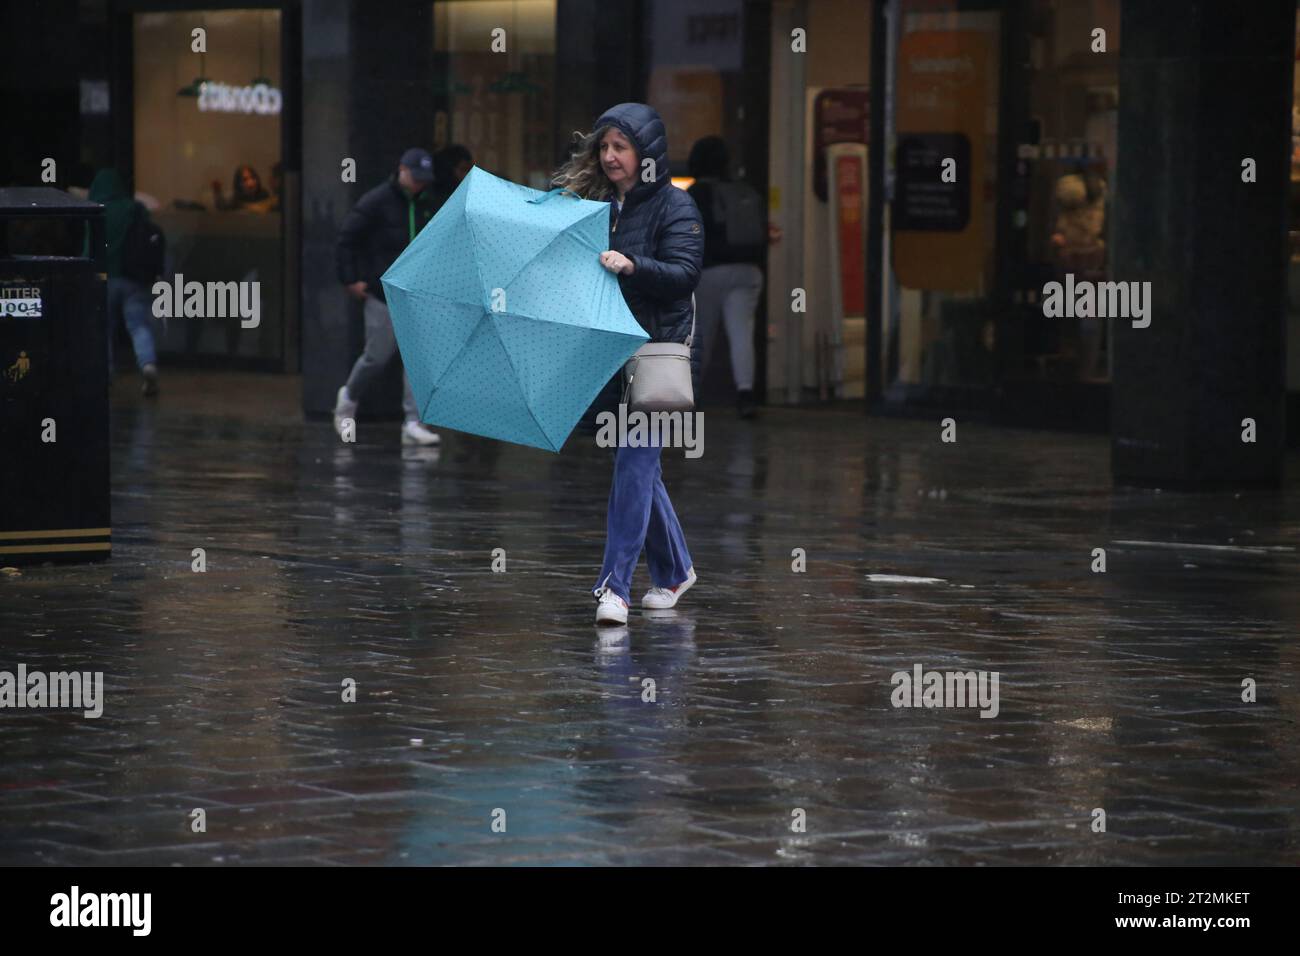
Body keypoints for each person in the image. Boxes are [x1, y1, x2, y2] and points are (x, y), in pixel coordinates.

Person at [551, 103, 703, 627]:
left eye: (621, 147)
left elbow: (685, 274)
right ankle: (675, 569)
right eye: (604, 147)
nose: (610, 156)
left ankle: (614, 588)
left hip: (656, 352)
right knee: (639, 468)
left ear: (647, 152)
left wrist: (633, 265)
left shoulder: (675, 206)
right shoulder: (592, 206)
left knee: (633, 465)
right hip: (607, 352)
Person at [333, 147, 471, 445]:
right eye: (415, 177)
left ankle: (414, 421)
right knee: (376, 357)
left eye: (424, 179)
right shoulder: (376, 201)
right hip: (383, 292)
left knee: (417, 360)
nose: (420, 184)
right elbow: (347, 238)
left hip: (420, 293)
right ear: (402, 170)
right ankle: (349, 397)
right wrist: (351, 279)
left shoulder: (430, 202)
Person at [686, 136, 767, 418]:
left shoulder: (696, 193)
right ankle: (745, 394)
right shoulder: (744, 190)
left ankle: (690, 396)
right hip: (748, 270)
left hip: (710, 272)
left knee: (702, 334)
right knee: (741, 333)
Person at [89, 168, 160, 396]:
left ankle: (105, 374)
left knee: (104, 328)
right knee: (138, 325)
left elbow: (87, 249)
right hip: (133, 278)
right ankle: (148, 364)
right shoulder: (134, 209)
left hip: (104, 279)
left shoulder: (96, 211)